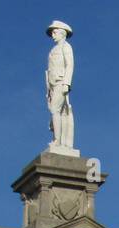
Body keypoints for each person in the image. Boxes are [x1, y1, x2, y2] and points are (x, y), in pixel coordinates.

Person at [46, 20, 75, 150]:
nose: (53, 35)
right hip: (52, 84)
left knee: (55, 110)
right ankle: (60, 141)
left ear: (62, 33)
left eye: (55, 32)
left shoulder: (66, 47)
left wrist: (66, 83)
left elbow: (70, 65)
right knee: (59, 111)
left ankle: (58, 141)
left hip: (60, 82)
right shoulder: (54, 49)